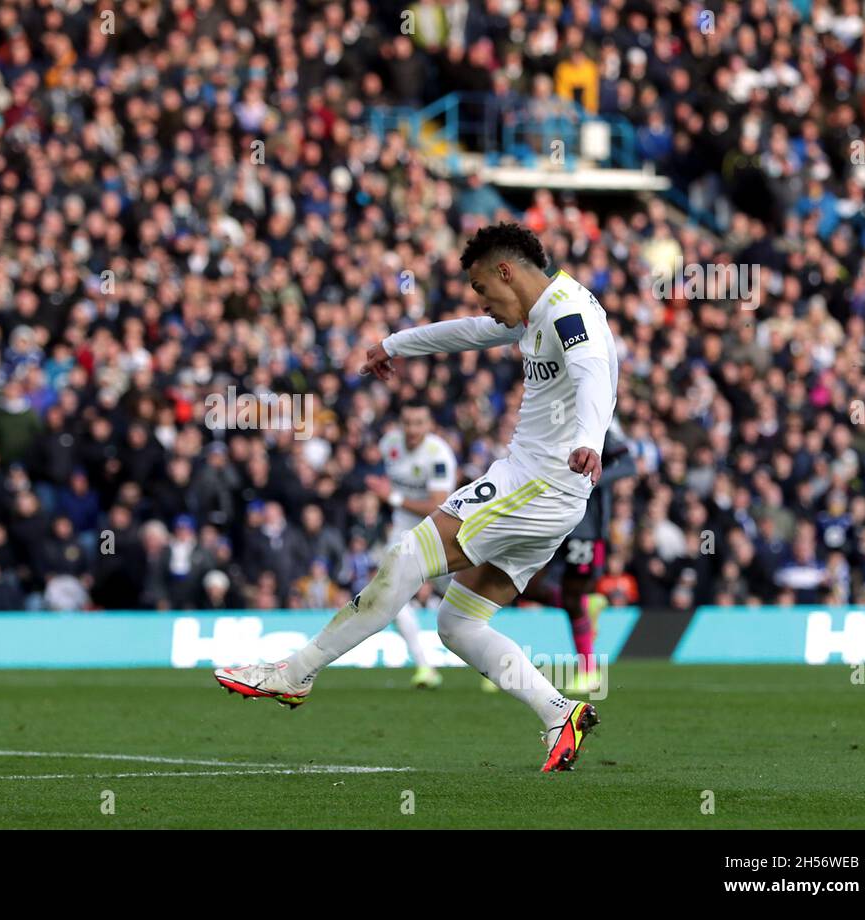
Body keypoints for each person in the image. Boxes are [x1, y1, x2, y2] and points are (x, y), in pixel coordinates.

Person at [216, 223, 618, 773]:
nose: (481, 300)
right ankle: (558, 713)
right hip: (556, 495)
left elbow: (592, 370)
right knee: (458, 625)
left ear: (506, 271)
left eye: (481, 286)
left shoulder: (567, 313)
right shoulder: (541, 309)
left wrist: (590, 439)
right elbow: (470, 332)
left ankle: (295, 673)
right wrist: (393, 345)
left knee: (408, 557)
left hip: (538, 481)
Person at [520, 421, 637, 691]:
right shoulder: (545, 417)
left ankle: (589, 670)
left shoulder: (597, 424)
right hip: (548, 518)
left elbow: (628, 464)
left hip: (584, 527)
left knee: (571, 595)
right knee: (524, 586)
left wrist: (589, 480)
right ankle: (499, 661)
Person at [364, 400, 458, 689]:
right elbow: (374, 472)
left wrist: (391, 498)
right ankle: (424, 666)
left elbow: (437, 506)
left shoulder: (438, 455)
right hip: (404, 533)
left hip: (439, 530)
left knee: (464, 597)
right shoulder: (389, 444)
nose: (412, 429)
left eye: (419, 423)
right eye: (407, 422)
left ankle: (495, 667)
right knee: (389, 596)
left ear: (429, 426)